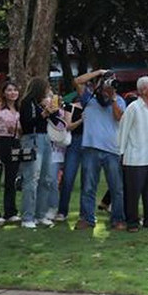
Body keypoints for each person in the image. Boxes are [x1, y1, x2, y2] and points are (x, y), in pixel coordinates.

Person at [74, 69, 126, 230]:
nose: (110, 84)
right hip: (91, 148)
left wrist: (113, 98)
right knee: (88, 186)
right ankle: (87, 219)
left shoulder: (120, 100)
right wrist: (99, 73)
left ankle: (118, 219)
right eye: (108, 81)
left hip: (112, 150)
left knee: (116, 187)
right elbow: (77, 81)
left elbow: (119, 118)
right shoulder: (88, 98)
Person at [117, 76, 148, 232]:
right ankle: (132, 222)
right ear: (143, 90)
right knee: (133, 193)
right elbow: (124, 130)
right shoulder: (133, 108)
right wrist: (121, 153)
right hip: (135, 157)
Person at [18, 77, 61, 229]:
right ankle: (27, 216)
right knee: (32, 179)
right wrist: (43, 114)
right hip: (32, 140)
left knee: (47, 178)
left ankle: (40, 214)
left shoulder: (44, 102)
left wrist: (52, 111)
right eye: (46, 87)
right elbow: (27, 124)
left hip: (46, 139)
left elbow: (56, 122)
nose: (48, 90)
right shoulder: (27, 102)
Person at [0, 81, 21, 224]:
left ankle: (10, 211)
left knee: (11, 180)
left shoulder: (20, 110)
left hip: (15, 144)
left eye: (15, 90)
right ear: (4, 93)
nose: (12, 93)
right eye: (9, 90)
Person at [56, 94, 84, 222]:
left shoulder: (94, 107)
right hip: (75, 142)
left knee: (87, 180)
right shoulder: (70, 107)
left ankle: (85, 213)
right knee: (68, 178)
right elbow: (68, 125)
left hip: (89, 143)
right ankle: (62, 211)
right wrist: (81, 120)